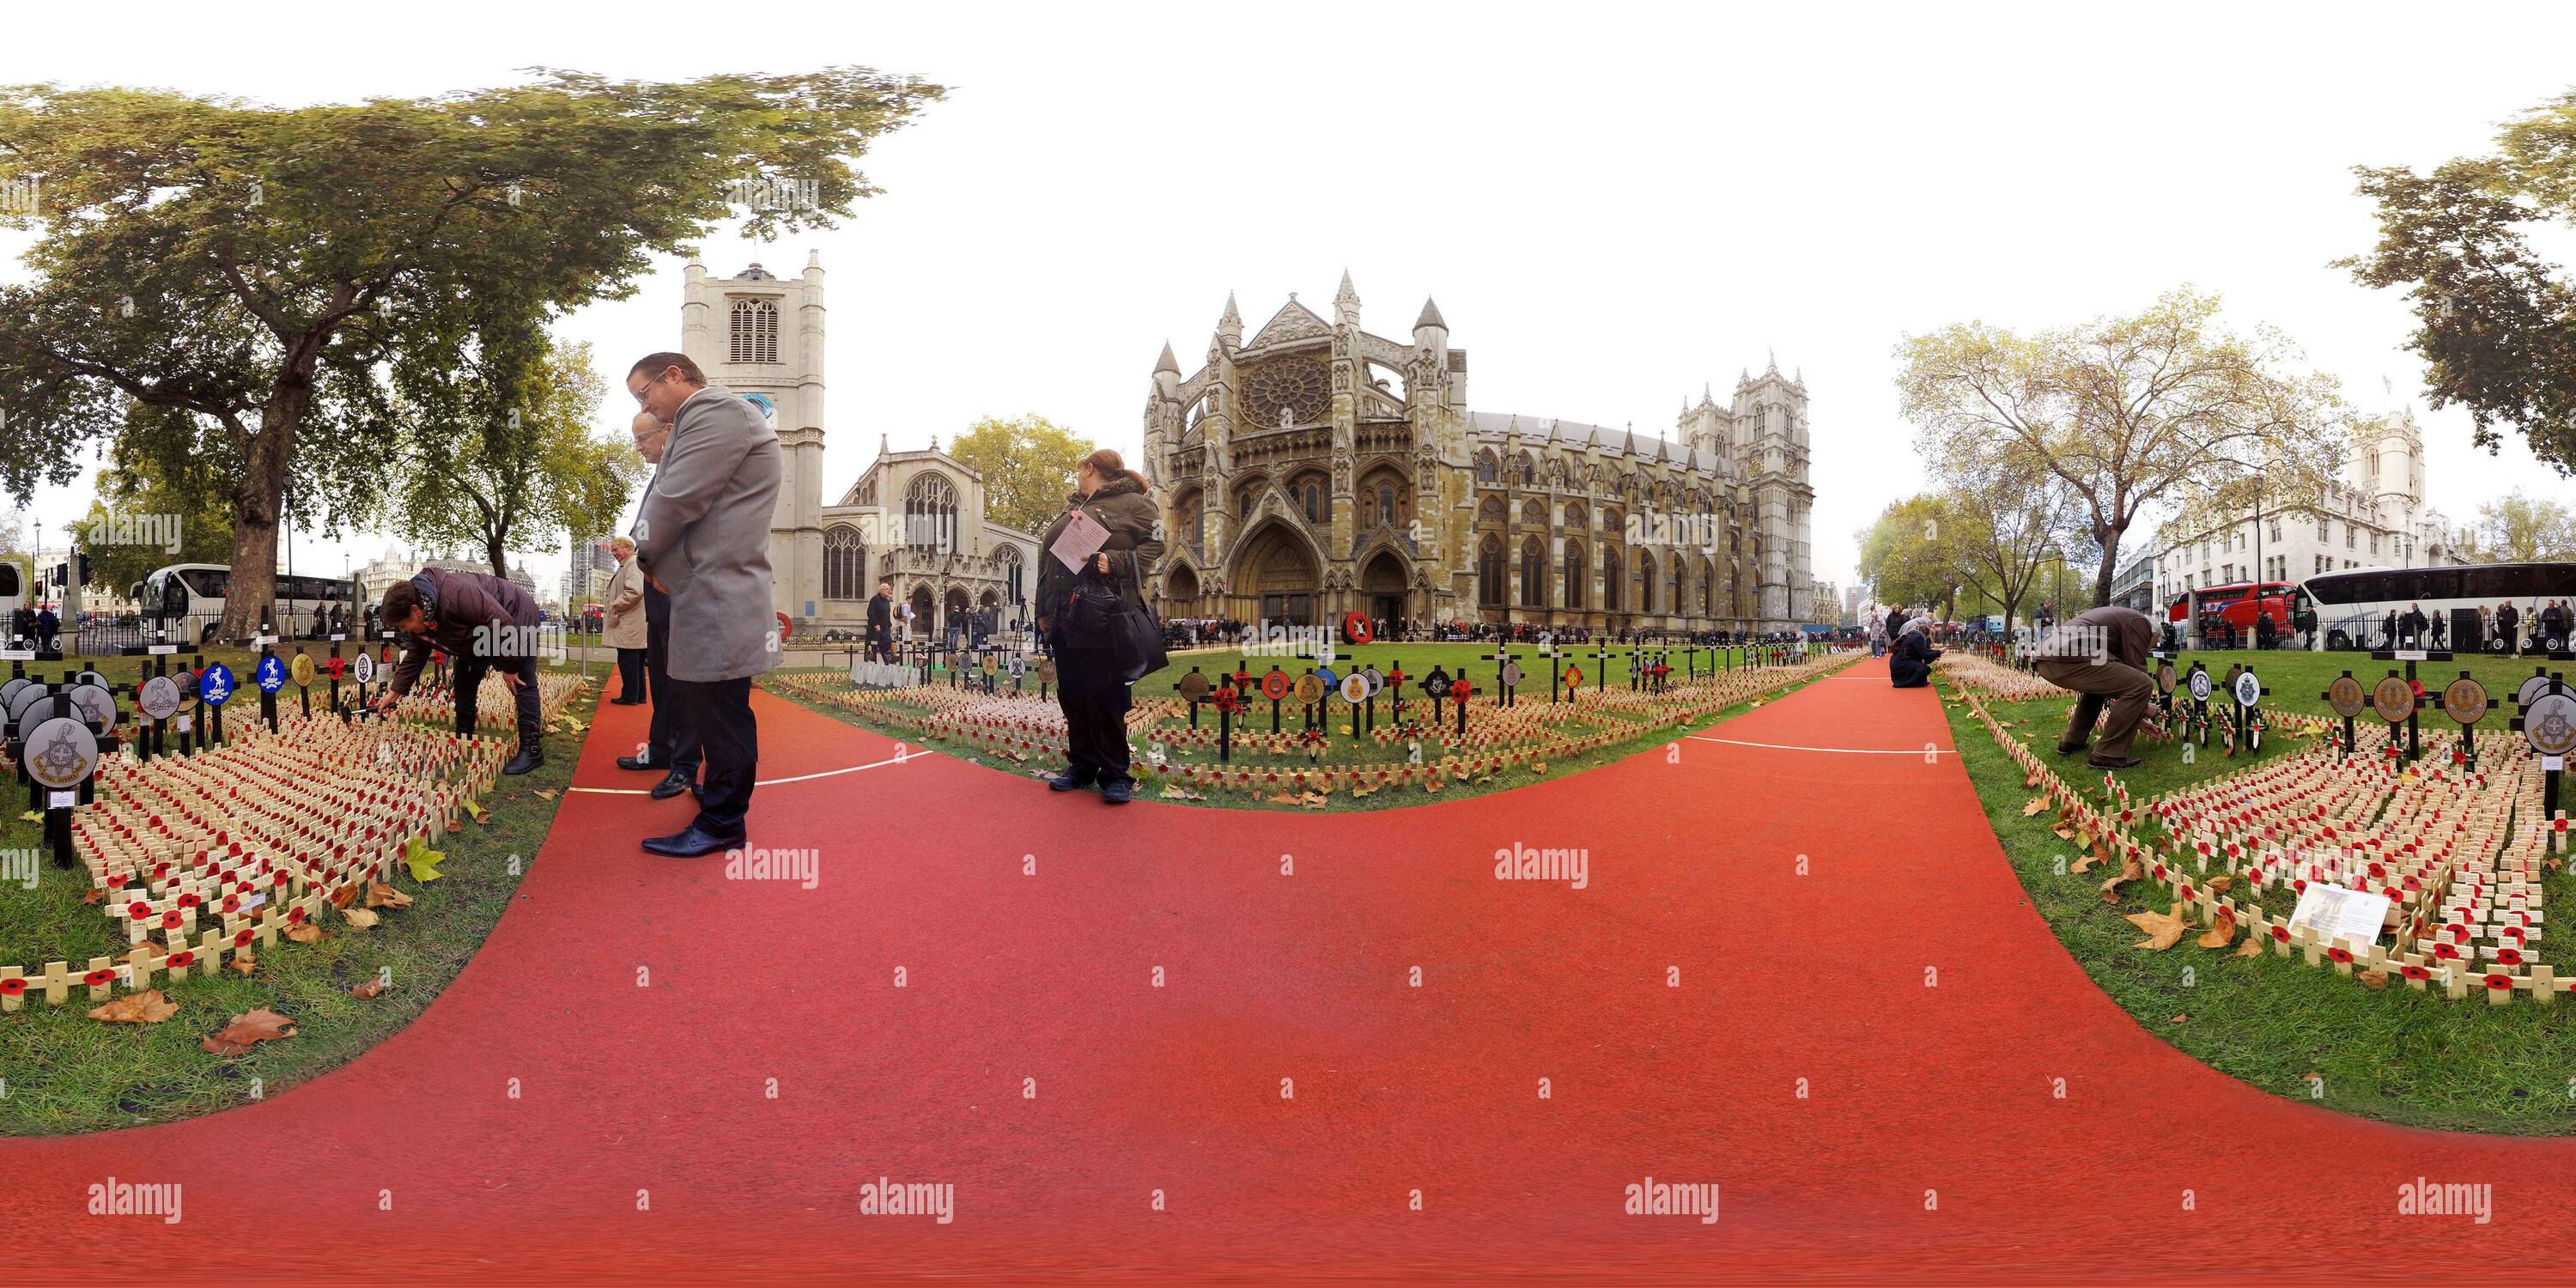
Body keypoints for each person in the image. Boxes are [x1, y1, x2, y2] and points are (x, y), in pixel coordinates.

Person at [628, 352, 782, 856]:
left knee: (722, 712)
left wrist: (645, 555)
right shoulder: (712, 416)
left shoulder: (715, 411)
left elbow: (675, 498)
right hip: (708, 589)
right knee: (713, 708)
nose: (645, 406)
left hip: (719, 593)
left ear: (673, 375)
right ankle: (718, 803)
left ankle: (722, 823)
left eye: (644, 392)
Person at [1036, 447, 1162, 804]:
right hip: (1063, 617)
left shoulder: (1136, 503)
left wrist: (1116, 560)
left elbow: (1158, 544)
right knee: (1073, 694)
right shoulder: (1072, 509)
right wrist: (1042, 610)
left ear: (1089, 468)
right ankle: (1082, 765)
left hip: (1105, 615)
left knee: (1106, 696)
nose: (1077, 476)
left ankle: (1114, 773)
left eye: (1079, 470)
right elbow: (1049, 564)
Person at [376, 566, 545, 775]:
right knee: (464, 676)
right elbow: (416, 655)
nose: (403, 631)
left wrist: (510, 666)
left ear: (416, 611)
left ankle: (532, 749)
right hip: (478, 632)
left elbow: (503, 625)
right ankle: (464, 734)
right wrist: (396, 691)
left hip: (515, 617)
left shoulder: (457, 594)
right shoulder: (422, 616)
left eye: (403, 625)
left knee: (521, 680)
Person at [617, 410, 701, 800]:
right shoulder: (663, 471)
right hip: (658, 599)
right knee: (663, 685)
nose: (638, 447)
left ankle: (684, 767)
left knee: (683, 687)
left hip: (676, 594)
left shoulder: (685, 467)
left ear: (667, 433)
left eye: (642, 438)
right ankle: (662, 751)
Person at [2031, 605, 2156, 771]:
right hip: (2068, 656)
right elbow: (2136, 673)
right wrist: (2143, 707)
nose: (2149, 649)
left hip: (2047, 657)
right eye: (2153, 644)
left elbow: (2117, 680)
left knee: (2099, 688)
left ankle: (2073, 741)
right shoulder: (2141, 623)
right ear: (2153, 635)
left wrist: (2137, 718)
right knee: (2143, 684)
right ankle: (2108, 755)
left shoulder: (2120, 619)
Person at [603, 534, 647, 704]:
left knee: (627, 660)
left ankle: (629, 696)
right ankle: (639, 695)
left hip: (629, 622)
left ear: (627, 548)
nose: (614, 553)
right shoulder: (631, 564)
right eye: (612, 550)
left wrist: (615, 605)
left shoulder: (631, 564)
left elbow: (635, 591)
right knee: (636, 663)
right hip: (633, 621)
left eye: (616, 549)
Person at [1888, 616, 1940, 687]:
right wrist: (1939, 652)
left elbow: (1922, 651)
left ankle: (1909, 682)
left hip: (1897, 663)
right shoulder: (1919, 637)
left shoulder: (1911, 635)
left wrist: (1935, 655)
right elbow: (1924, 655)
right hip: (1902, 664)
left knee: (1923, 667)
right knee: (1925, 669)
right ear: (1925, 634)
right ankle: (1911, 682)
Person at [866, 580, 895, 663]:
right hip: (875, 630)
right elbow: (870, 613)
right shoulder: (875, 599)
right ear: (881, 590)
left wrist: (890, 626)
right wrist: (876, 624)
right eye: (887, 589)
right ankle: (871, 666)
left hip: (885, 629)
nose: (889, 591)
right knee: (873, 648)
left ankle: (888, 665)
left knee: (887, 646)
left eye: (889, 589)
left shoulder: (887, 601)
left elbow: (887, 615)